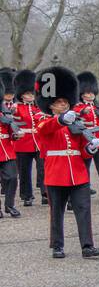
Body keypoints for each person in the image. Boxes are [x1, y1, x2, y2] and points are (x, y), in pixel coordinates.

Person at [33, 66, 99, 260]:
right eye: (58, 102)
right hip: (56, 173)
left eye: (65, 102)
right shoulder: (44, 120)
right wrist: (62, 120)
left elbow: (82, 149)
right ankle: (57, 246)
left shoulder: (75, 122)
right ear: (50, 105)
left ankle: (87, 246)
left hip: (78, 172)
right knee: (57, 212)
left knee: (83, 209)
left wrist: (90, 148)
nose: (63, 105)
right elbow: (44, 130)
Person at [75, 72, 99, 200]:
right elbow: (74, 118)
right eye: (87, 92)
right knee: (85, 166)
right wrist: (81, 112)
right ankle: (85, 188)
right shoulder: (78, 107)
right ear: (82, 93)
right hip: (86, 141)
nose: (90, 94)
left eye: (92, 92)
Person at [11, 69, 46, 207]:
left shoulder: (39, 107)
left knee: (43, 168)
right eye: (27, 94)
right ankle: (27, 196)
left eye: (32, 93)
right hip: (23, 142)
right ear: (21, 95)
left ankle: (45, 193)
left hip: (38, 141)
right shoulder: (17, 108)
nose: (30, 96)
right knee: (25, 171)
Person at [0, 69, 18, 217]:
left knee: (12, 177)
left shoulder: (5, 110)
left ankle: (9, 205)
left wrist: (15, 134)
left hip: (6, 150)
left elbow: (12, 131)